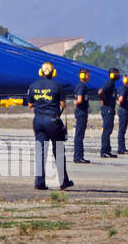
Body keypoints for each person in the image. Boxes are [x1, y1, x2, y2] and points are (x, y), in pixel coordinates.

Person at [26, 62, 72, 191]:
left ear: (41, 72)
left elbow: (30, 104)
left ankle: (39, 182)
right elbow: (63, 104)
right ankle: (63, 181)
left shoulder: (33, 85)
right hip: (52, 120)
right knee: (58, 150)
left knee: (40, 152)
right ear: (53, 72)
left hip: (38, 121)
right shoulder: (57, 85)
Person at [98, 68, 120, 159]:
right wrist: (104, 101)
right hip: (107, 109)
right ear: (112, 74)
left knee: (109, 130)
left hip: (109, 109)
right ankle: (104, 151)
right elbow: (100, 92)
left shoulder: (112, 84)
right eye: (116, 73)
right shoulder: (109, 83)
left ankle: (108, 150)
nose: (118, 75)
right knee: (106, 130)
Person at [71, 68, 91, 163]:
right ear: (82, 75)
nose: (89, 76)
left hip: (82, 113)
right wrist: (78, 103)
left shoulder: (82, 86)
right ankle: (78, 157)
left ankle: (79, 156)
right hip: (81, 113)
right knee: (79, 135)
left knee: (80, 135)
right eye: (87, 75)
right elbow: (78, 100)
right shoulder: (81, 86)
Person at [116, 74, 128, 155]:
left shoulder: (122, 88)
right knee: (122, 130)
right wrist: (121, 103)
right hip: (123, 111)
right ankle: (121, 148)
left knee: (122, 130)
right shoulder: (124, 89)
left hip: (122, 110)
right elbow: (120, 99)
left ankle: (122, 147)